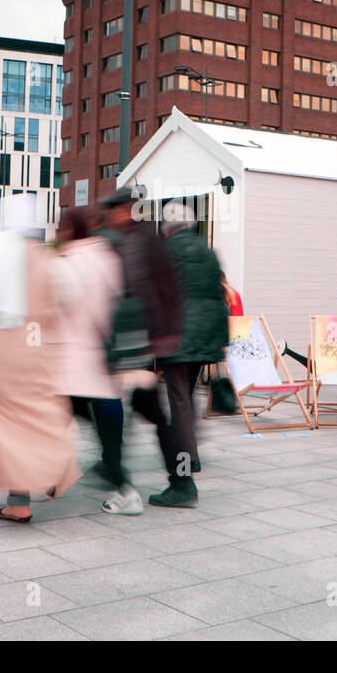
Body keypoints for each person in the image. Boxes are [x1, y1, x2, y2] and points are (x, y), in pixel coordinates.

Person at [0, 193, 80, 523]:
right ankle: (40, 479)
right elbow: (59, 306)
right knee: (31, 420)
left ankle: (25, 491)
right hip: (33, 351)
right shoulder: (43, 259)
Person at [100, 187, 195, 509]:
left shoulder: (136, 241)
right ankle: (117, 466)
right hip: (151, 342)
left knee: (156, 416)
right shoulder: (142, 238)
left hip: (146, 344)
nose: (110, 217)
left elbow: (141, 293)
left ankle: (180, 482)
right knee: (149, 412)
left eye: (113, 210)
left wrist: (152, 342)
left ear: (124, 209)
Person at [51, 207, 139, 514]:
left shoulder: (68, 262)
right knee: (104, 428)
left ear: (66, 232)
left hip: (71, 358)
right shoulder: (106, 256)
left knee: (56, 418)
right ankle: (122, 486)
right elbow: (117, 300)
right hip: (101, 356)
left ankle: (51, 475)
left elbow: (58, 305)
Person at [159, 201, 229, 489]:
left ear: (168, 228)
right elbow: (219, 295)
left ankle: (185, 465)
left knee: (179, 400)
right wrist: (221, 340)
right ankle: (193, 453)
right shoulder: (209, 252)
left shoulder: (166, 252)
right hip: (204, 336)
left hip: (178, 337)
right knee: (186, 396)